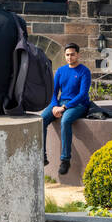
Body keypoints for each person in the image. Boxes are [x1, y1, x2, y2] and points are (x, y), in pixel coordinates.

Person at [41, 43, 92, 175]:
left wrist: (63, 108)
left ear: (78, 55)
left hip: (79, 104)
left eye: (72, 54)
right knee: (42, 120)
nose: (69, 57)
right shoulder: (60, 71)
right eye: (67, 55)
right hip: (61, 103)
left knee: (65, 120)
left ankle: (65, 160)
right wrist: (54, 106)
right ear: (65, 56)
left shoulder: (84, 71)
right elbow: (53, 91)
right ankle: (42, 156)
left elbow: (82, 94)